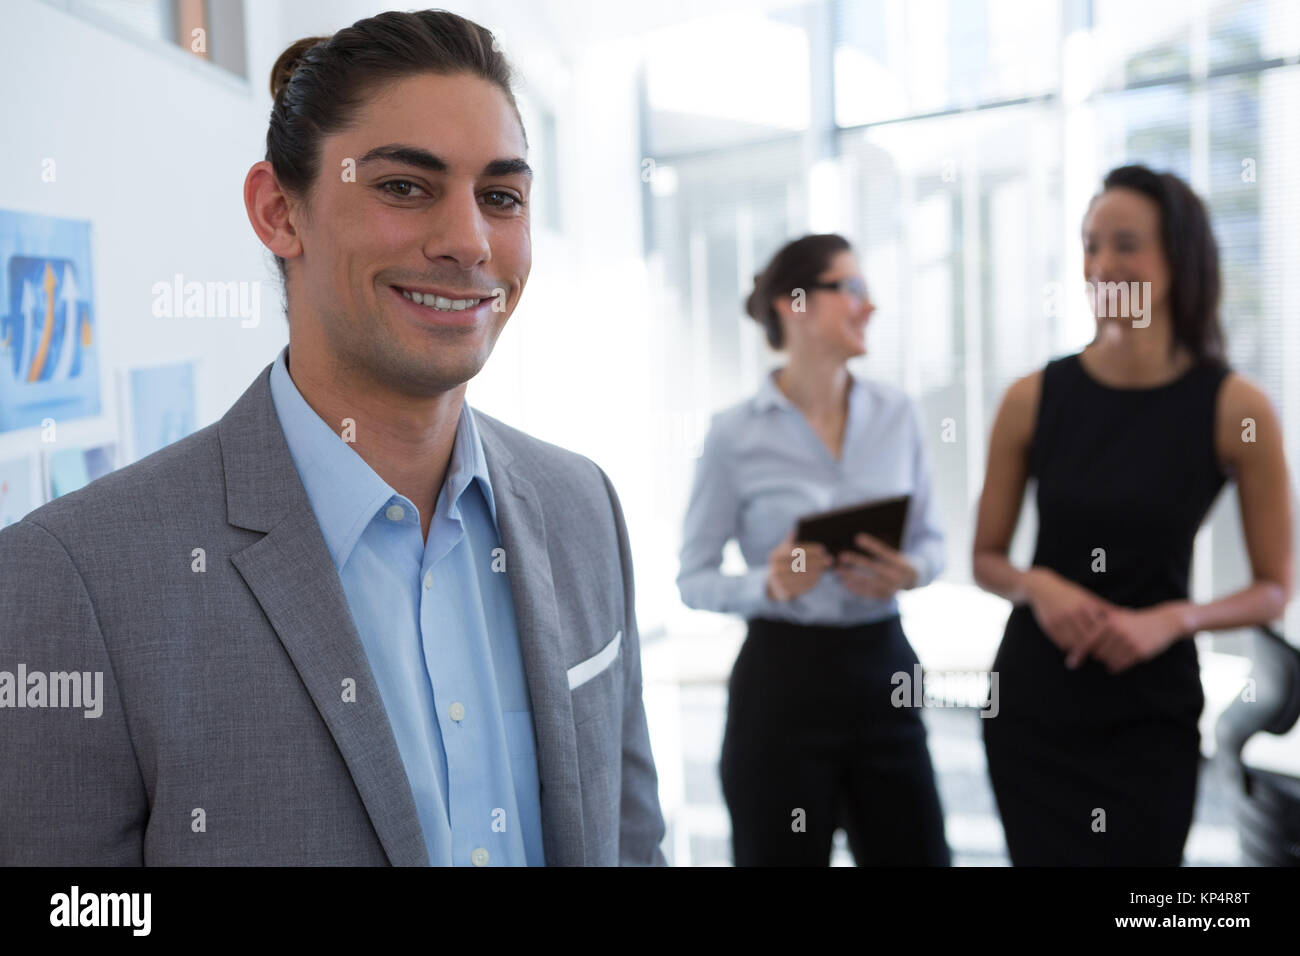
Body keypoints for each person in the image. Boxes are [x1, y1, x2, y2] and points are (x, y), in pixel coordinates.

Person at [0, 9, 666, 867]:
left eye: (500, 197)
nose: (468, 241)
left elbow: (634, 841)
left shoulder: (583, 509)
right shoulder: (75, 577)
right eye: (403, 186)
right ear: (280, 211)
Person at [973, 164, 1294, 866]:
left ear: (1179, 258)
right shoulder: (1033, 398)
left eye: (1126, 244)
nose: (1102, 264)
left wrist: (1171, 619)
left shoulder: (1236, 408)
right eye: (1091, 245)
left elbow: (1275, 586)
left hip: (1151, 710)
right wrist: (1041, 586)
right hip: (1034, 703)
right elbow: (986, 559)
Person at [677, 233, 951, 866]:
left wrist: (909, 571)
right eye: (851, 288)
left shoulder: (898, 413)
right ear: (793, 303)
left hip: (885, 665)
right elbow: (693, 579)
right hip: (781, 680)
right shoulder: (733, 435)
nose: (869, 306)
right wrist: (767, 586)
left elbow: (933, 543)